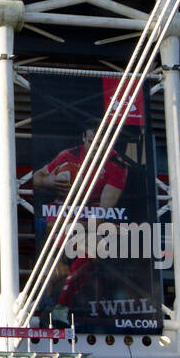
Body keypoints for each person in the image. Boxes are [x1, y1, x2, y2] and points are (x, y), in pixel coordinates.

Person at [33, 124, 128, 321]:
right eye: (92, 142)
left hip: (90, 218)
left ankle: (60, 307)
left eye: (101, 143)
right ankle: (44, 305)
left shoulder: (117, 164)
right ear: (84, 137)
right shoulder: (69, 155)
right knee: (57, 270)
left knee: (94, 250)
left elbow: (101, 213)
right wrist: (49, 181)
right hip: (61, 211)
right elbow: (37, 178)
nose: (96, 147)